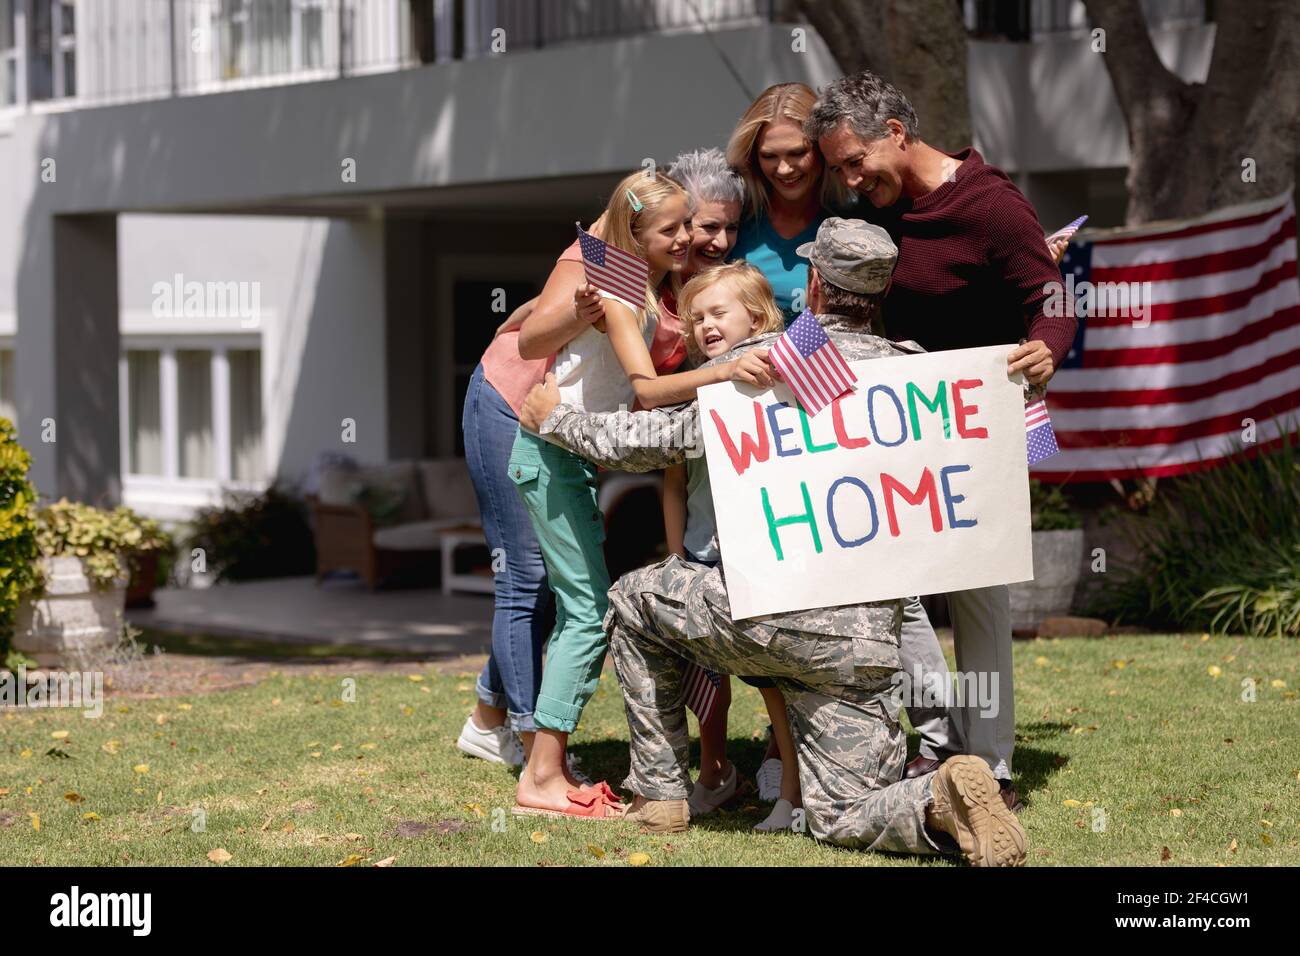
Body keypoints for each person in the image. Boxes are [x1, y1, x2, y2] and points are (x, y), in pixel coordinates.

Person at [520, 218, 1027, 865]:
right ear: (880, 294)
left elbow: (649, 444)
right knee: (843, 814)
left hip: (766, 616)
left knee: (633, 599)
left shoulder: (777, 368)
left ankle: (662, 791)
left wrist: (555, 417)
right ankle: (935, 800)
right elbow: (992, 461)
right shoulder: (919, 375)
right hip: (866, 645)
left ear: (812, 285)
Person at [807, 70, 1079, 810]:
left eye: (856, 160)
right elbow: (839, 304)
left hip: (979, 431)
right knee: (890, 592)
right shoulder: (877, 218)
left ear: (898, 132)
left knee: (980, 600)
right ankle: (935, 740)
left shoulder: (991, 206)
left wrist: (1048, 346)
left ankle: (991, 768)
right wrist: (779, 348)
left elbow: (1049, 297)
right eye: (838, 168)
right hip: (895, 432)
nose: (851, 180)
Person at [456, 150, 743, 776]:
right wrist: (575, 310)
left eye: (716, 226)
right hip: (516, 406)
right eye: (697, 224)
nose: (706, 237)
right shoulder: (603, 260)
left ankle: (487, 713)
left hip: (573, 433)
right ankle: (535, 748)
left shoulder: (681, 281)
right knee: (527, 574)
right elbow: (526, 336)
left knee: (560, 585)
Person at [510, 171, 770, 819]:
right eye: (671, 229)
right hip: (550, 451)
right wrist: (726, 368)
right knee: (588, 613)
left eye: (689, 223)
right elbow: (648, 391)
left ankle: (550, 766)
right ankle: (541, 777)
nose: (687, 237)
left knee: (588, 609)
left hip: (571, 456)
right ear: (635, 234)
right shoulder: (621, 289)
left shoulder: (652, 288)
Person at [661, 262, 798, 831]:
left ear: (758, 318)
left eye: (718, 312)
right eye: (695, 318)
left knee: (771, 682)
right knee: (702, 673)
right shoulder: (695, 387)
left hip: (756, 552)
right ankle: (713, 772)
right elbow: (673, 480)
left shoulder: (777, 379)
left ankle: (792, 790)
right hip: (700, 553)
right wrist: (676, 556)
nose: (705, 325)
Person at [727, 83, 849, 325]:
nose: (783, 169)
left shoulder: (853, 221)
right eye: (769, 156)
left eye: (797, 153)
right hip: (731, 361)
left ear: (822, 148)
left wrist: (781, 357)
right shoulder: (730, 214)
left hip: (825, 360)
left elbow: (851, 329)